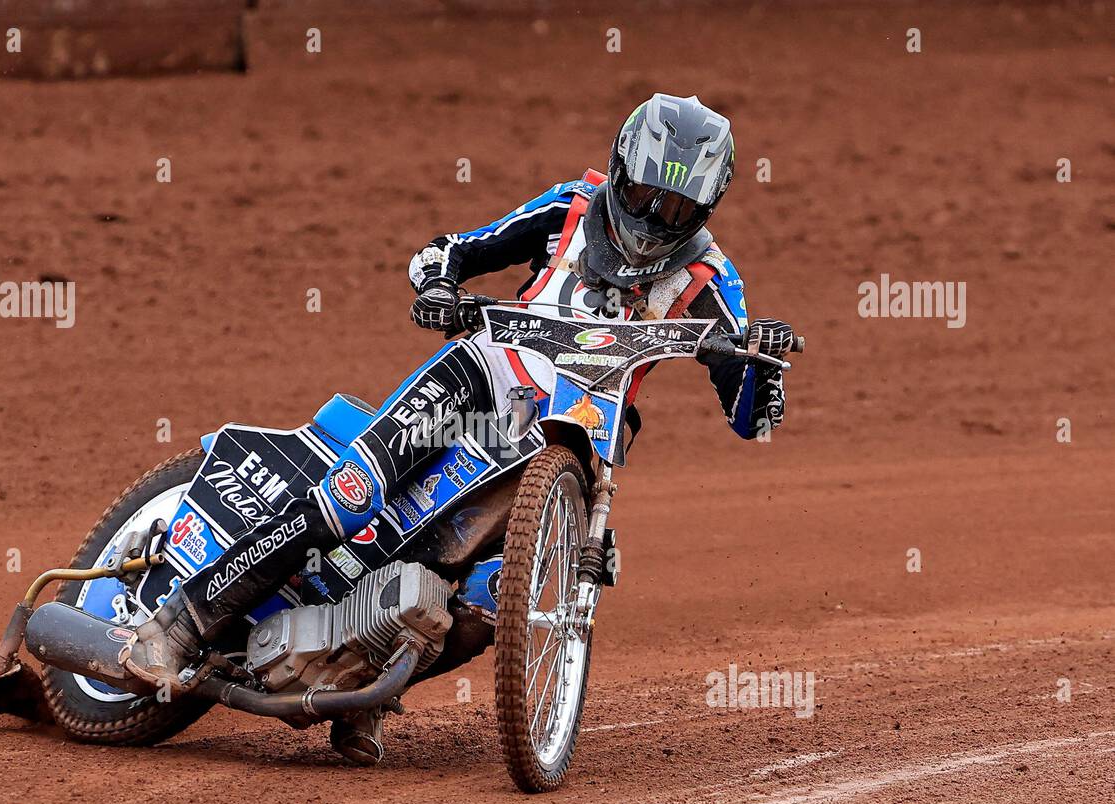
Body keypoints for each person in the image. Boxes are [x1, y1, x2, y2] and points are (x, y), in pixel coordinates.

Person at [120, 93, 795, 763]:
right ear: (620, 169)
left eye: (675, 208)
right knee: (350, 497)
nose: (653, 215)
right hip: (481, 376)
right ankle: (178, 627)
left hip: (572, 438)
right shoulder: (571, 206)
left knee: (487, 601)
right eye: (645, 192)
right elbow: (451, 252)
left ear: (705, 209)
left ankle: (367, 691)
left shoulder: (710, 277)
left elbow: (750, 417)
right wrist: (441, 286)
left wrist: (762, 361)